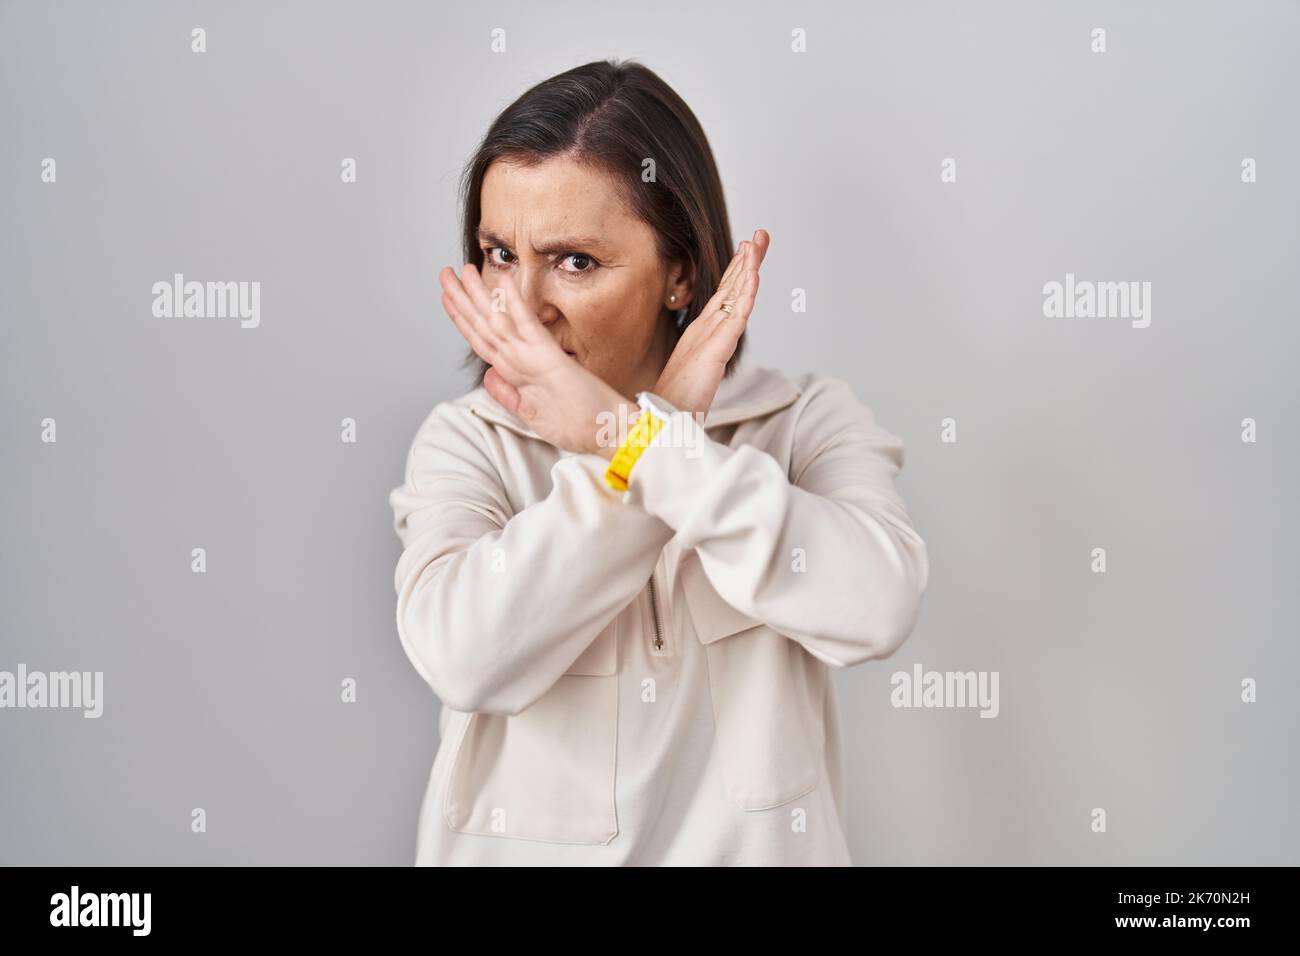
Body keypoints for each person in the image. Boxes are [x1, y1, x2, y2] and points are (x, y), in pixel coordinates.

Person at [388, 58, 930, 865]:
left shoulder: (802, 421)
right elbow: (467, 657)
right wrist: (654, 432)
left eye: (574, 261)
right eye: (500, 253)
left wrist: (630, 436)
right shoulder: (466, 442)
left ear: (680, 275)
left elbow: (877, 603)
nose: (524, 306)